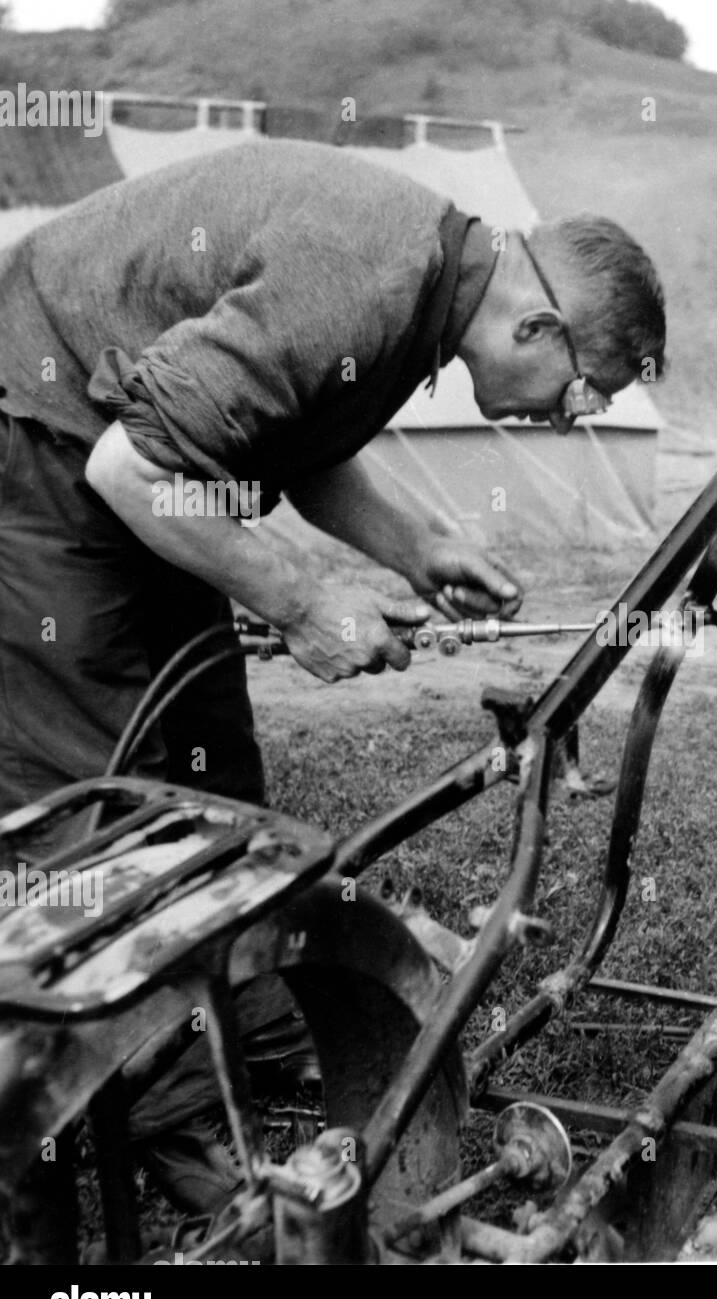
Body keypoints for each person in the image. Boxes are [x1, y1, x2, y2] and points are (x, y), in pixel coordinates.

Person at [0, 136, 666, 1233]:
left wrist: (414, 545)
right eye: (581, 389)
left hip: (129, 455)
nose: (571, 416)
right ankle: (171, 1116)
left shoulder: (427, 280)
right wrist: (304, 600)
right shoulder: (369, 277)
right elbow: (136, 466)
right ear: (536, 325)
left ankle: (246, 1011)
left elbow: (283, 429)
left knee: (211, 761)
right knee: (106, 803)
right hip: (45, 447)